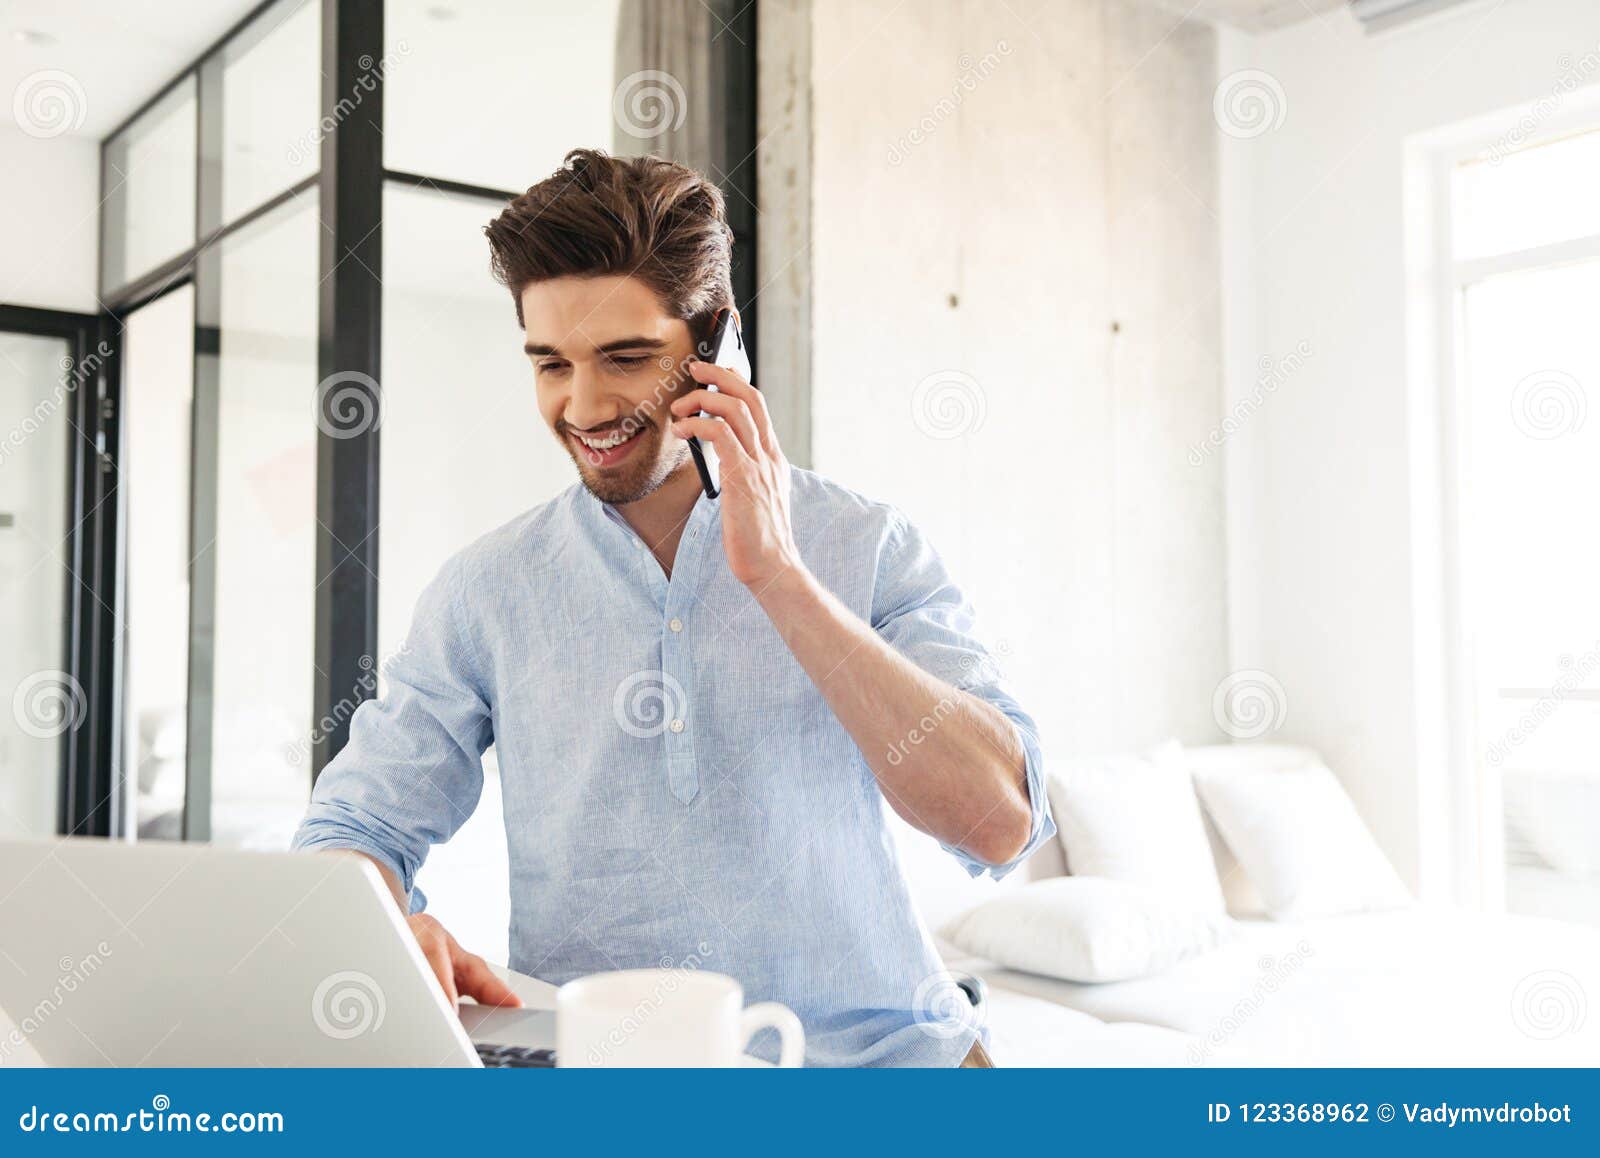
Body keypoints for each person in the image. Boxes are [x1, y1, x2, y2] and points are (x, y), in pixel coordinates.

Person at [292, 148, 1053, 1066]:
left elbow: (1001, 825)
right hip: (615, 1078)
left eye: (626, 357)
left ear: (717, 347)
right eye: (550, 364)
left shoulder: (869, 544)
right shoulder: (485, 590)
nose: (583, 404)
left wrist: (780, 578)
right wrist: (386, 925)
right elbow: (352, 831)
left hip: (891, 1067)